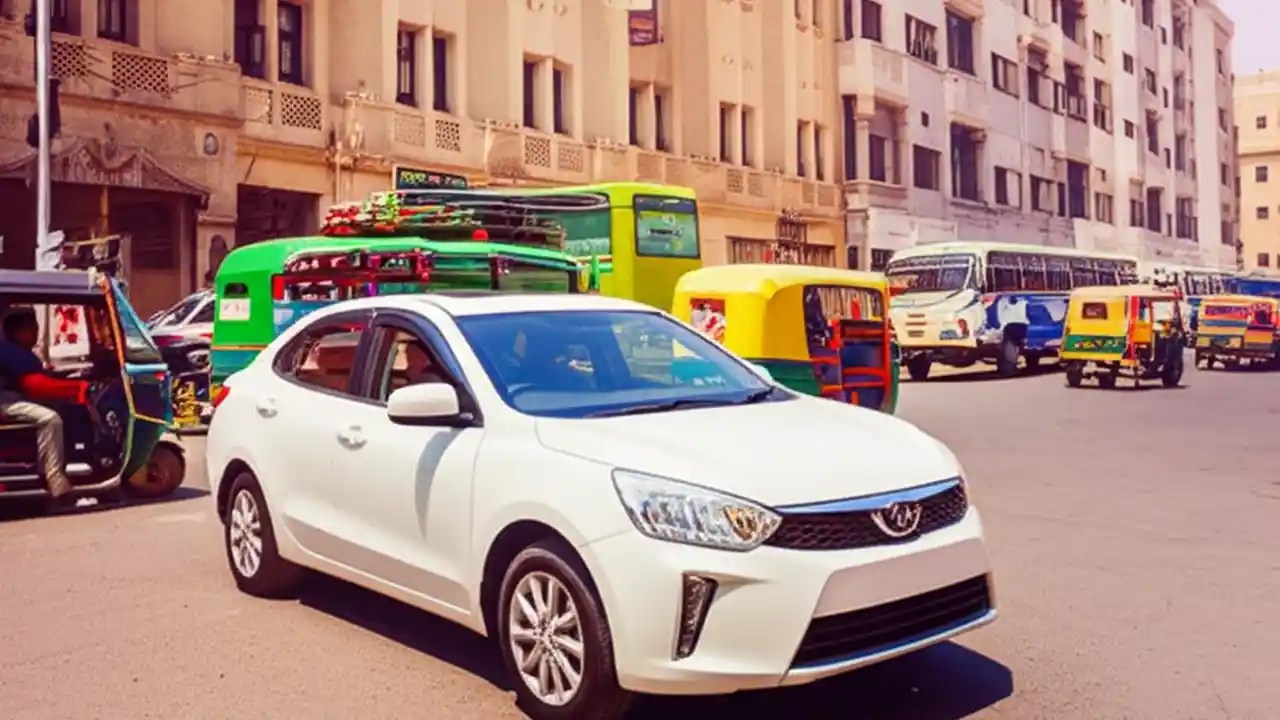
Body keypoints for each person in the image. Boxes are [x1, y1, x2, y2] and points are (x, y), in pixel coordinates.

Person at [0, 310, 92, 508]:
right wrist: (76, 387)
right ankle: (55, 479)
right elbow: (34, 385)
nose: (36, 332)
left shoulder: (18, 352)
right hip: (5, 404)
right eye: (32, 328)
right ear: (18, 332)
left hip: (11, 400)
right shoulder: (12, 351)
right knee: (50, 418)